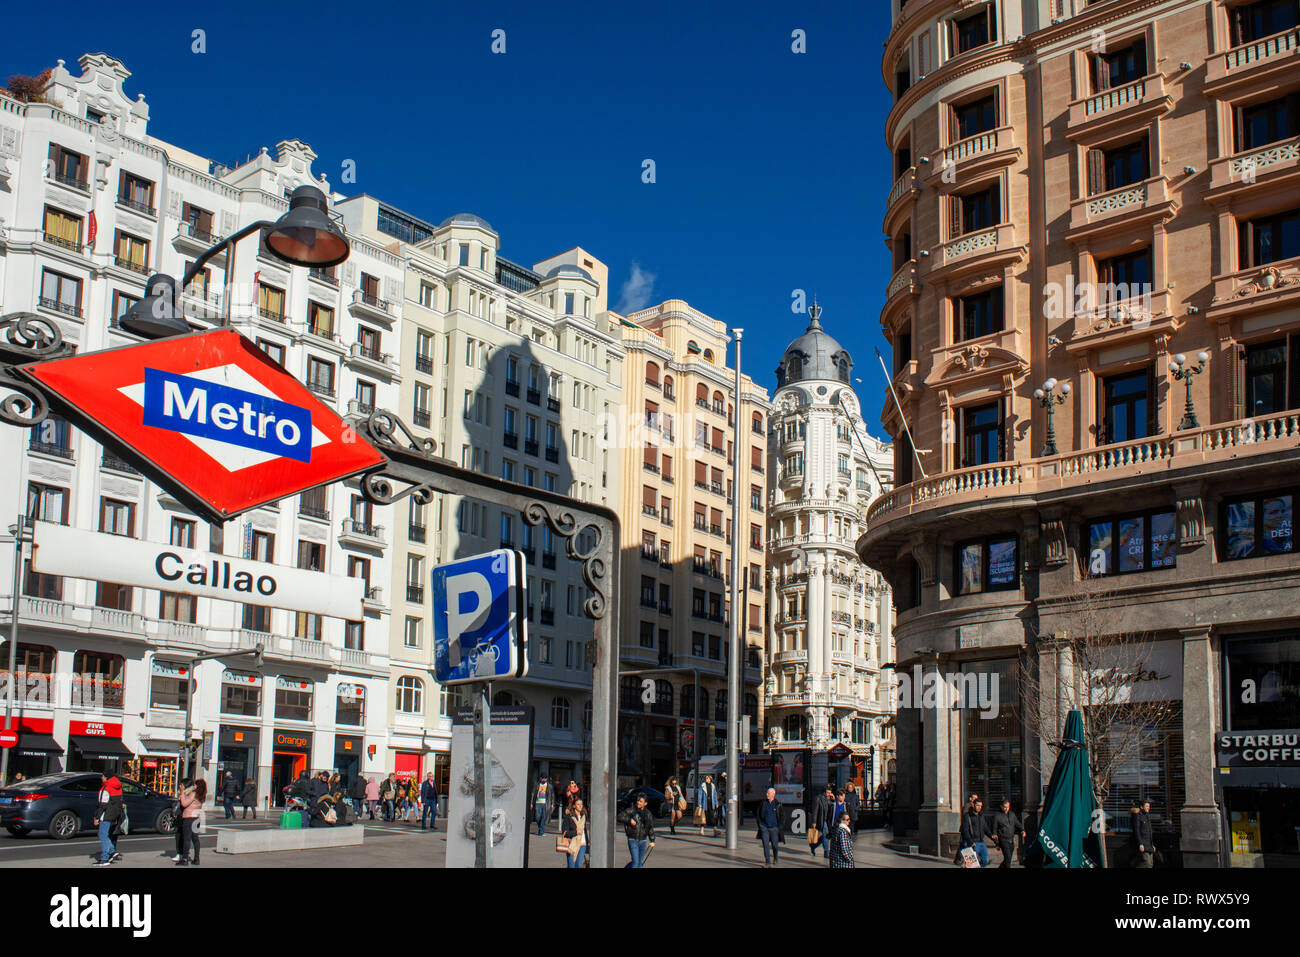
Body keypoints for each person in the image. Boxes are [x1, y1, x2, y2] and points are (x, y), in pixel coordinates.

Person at [91, 772, 124, 866]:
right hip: (115, 814)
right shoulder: (118, 787)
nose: (101, 778)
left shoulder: (105, 788)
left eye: (103, 776)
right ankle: (109, 853)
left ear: (106, 777)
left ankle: (108, 855)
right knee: (106, 834)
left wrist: (97, 817)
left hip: (106, 815)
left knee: (103, 834)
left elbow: (102, 805)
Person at [617, 792, 656, 867]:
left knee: (639, 863)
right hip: (633, 840)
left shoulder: (648, 814)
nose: (638, 802)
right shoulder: (632, 810)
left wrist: (652, 840)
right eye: (638, 800)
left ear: (645, 803)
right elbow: (620, 817)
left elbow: (650, 827)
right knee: (635, 862)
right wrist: (629, 820)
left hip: (643, 841)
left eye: (641, 801)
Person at [991, 798, 1025, 869]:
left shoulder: (1012, 814)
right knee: (1008, 857)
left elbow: (1017, 823)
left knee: (1008, 859)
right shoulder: (997, 816)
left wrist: (1022, 830)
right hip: (1003, 839)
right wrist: (996, 842)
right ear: (1001, 806)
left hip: (1011, 839)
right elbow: (994, 829)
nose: (1006, 809)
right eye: (1004, 807)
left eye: (1007, 807)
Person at [175, 779, 202, 866]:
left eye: (195, 784)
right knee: (195, 839)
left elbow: (184, 803)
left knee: (187, 839)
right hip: (197, 818)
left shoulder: (193, 794)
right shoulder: (200, 795)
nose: (193, 786)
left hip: (189, 817)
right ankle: (197, 858)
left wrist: (182, 792)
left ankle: (184, 859)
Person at [960, 797, 993, 867]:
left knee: (985, 860)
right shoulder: (967, 816)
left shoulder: (981, 816)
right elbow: (965, 830)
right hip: (973, 843)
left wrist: (991, 836)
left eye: (981, 806)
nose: (979, 807)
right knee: (972, 864)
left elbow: (985, 828)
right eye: (977, 805)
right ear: (973, 805)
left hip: (981, 842)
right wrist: (970, 841)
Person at [755, 787, 784, 867]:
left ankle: (775, 857)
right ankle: (767, 861)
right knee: (765, 844)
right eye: (767, 793)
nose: (767, 794)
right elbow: (758, 814)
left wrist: (779, 827)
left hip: (774, 828)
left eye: (768, 793)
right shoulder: (763, 803)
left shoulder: (778, 804)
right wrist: (761, 825)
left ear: (773, 795)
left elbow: (782, 816)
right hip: (765, 827)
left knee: (775, 845)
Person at [560, 797, 588, 868]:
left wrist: (588, 842)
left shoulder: (583, 816)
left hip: (582, 843)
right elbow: (565, 832)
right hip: (572, 844)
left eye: (581, 804)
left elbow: (584, 831)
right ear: (574, 806)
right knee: (571, 865)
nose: (580, 806)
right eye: (578, 804)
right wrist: (576, 832)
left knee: (578, 865)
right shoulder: (568, 817)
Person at [812, 785, 836, 857]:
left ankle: (813, 846)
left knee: (825, 836)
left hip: (828, 820)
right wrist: (814, 822)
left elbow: (833, 807)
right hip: (822, 820)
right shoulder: (818, 798)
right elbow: (815, 810)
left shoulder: (829, 799)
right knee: (826, 834)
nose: (829, 794)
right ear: (824, 792)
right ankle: (826, 851)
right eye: (828, 793)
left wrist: (834, 799)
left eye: (830, 793)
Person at [1131, 798, 1154, 868]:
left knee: (1150, 864)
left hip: (1149, 845)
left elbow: (1149, 831)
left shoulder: (1147, 816)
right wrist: (1140, 843)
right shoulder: (1137, 816)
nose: (1148, 808)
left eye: (1149, 806)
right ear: (1141, 807)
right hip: (1143, 844)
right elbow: (1137, 830)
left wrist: (1152, 844)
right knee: (1147, 864)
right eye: (1147, 806)